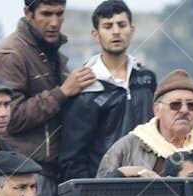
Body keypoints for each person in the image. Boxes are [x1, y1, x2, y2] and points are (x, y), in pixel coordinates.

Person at [0, 0, 99, 196]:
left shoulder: (49, 51)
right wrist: (63, 92)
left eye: (60, 14)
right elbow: (11, 117)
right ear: (28, 12)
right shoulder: (9, 55)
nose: (54, 22)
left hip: (54, 172)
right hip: (23, 175)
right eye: (46, 13)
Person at [57, 1, 157, 183]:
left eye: (121, 24)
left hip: (149, 180)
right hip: (104, 185)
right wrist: (89, 190)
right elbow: (72, 154)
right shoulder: (85, 86)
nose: (116, 31)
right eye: (108, 26)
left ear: (131, 30)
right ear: (96, 34)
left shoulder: (146, 78)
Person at [96, 71, 193, 178]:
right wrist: (129, 172)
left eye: (192, 105)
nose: (184, 110)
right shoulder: (126, 148)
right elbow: (98, 195)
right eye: (175, 104)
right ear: (157, 110)